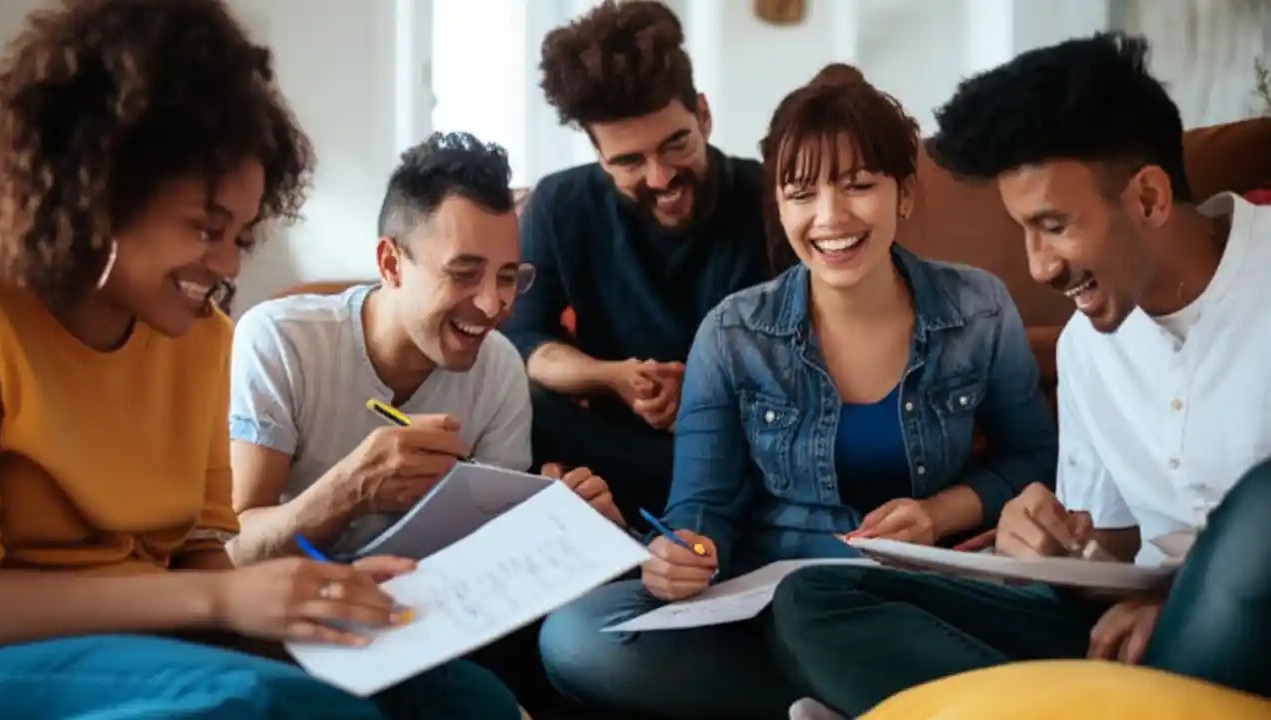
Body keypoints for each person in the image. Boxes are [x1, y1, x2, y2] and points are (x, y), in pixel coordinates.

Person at [0, 2, 519, 718]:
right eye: (207, 229)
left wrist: (312, 593)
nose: (226, 264)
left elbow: (207, 553)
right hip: (22, 650)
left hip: (163, 630)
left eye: (241, 234)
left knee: (465, 700)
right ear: (98, 191)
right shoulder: (3, 325)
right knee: (271, 705)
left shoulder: (200, 338)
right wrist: (220, 596)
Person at [771, 33, 1271, 718]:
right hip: (1138, 648)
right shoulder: (1086, 348)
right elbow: (1115, 553)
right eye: (1023, 233)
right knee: (818, 599)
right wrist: (1052, 548)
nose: (1038, 267)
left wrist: (1176, 597)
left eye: (1054, 227)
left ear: (1149, 199)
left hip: (1241, 634)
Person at [537, 64, 1057, 720]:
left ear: (902, 193)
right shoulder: (732, 332)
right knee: (577, 637)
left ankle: (845, 696)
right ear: (778, 207)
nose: (830, 218)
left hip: (922, 592)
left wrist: (939, 512)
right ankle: (890, 698)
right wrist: (684, 554)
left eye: (859, 185)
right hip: (773, 595)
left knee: (1047, 610)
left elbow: (1035, 460)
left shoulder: (978, 308)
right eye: (801, 193)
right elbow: (703, 505)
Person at [227, 131, 623, 567]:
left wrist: (560, 524)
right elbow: (234, 549)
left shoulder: (500, 367)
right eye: (463, 273)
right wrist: (351, 490)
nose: (494, 306)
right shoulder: (280, 340)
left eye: (508, 277)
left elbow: (489, 551)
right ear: (391, 264)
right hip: (299, 605)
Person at [500, 0, 771, 526]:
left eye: (676, 145)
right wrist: (614, 378)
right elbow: (525, 343)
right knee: (517, 399)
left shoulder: (768, 198)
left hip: (742, 447)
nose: (661, 178)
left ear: (704, 115)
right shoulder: (560, 204)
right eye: (628, 161)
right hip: (608, 452)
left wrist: (702, 386)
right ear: (599, 155)